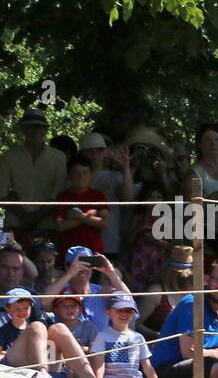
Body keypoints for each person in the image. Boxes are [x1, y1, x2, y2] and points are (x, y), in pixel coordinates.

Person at [152, 259, 218, 378]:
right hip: (167, 369)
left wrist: (210, 354)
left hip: (202, 364)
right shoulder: (192, 302)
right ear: (207, 279)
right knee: (216, 369)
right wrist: (217, 354)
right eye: (217, 281)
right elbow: (188, 353)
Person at [90, 294, 177, 378]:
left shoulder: (138, 337)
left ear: (134, 314)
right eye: (119, 310)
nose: (124, 314)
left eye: (128, 311)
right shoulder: (102, 336)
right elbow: (99, 367)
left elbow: (147, 366)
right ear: (109, 312)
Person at [0, 108, 66, 246]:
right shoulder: (9, 156)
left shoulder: (59, 157)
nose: (34, 131)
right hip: (15, 221)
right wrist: (23, 215)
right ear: (23, 129)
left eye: (38, 127)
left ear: (45, 130)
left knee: (46, 263)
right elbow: (2, 192)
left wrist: (33, 217)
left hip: (47, 222)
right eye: (29, 127)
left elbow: (58, 193)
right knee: (12, 263)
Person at [43, 245, 130, 332]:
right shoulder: (60, 291)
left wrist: (111, 273)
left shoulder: (102, 291)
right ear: (67, 266)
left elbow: (128, 300)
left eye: (88, 264)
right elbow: (44, 302)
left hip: (99, 344)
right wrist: (69, 274)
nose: (84, 268)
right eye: (79, 264)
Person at [54, 154, 109, 257]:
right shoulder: (63, 196)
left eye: (85, 172)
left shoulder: (98, 196)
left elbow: (104, 223)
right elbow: (60, 226)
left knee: (94, 273)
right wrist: (89, 217)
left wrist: (78, 215)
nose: (81, 177)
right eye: (76, 173)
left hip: (94, 252)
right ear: (69, 175)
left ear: (91, 174)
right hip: (68, 253)